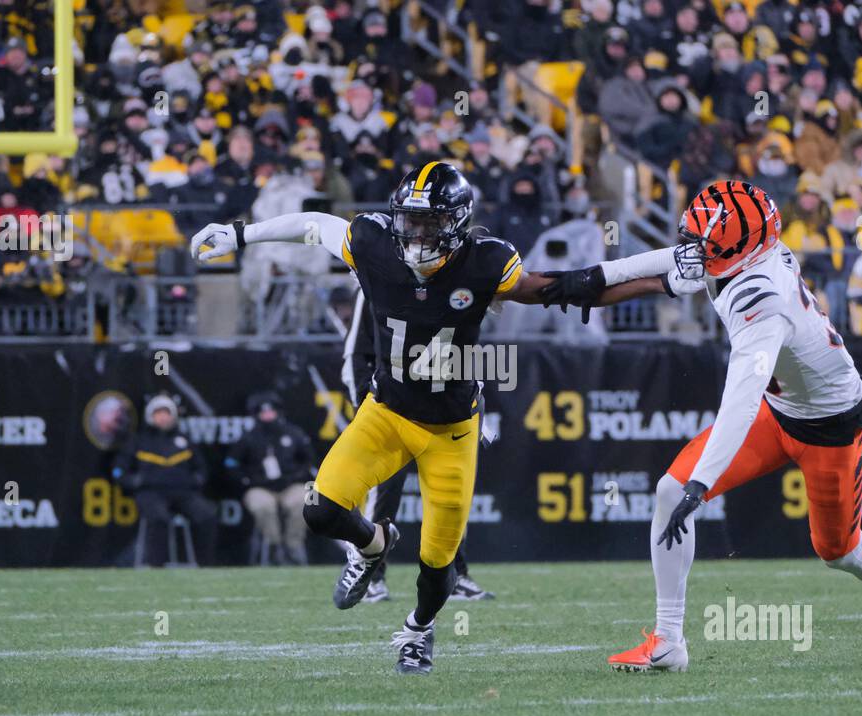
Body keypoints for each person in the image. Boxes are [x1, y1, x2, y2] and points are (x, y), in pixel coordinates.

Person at [540, 180, 862, 672]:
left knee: (838, 549)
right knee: (669, 491)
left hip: (829, 425)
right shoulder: (745, 255)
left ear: (738, 248)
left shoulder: (760, 297)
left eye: (704, 244)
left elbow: (739, 400)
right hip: (780, 409)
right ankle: (668, 641)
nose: (692, 252)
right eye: (693, 237)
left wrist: (703, 483)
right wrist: (581, 278)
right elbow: (663, 262)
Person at [190, 162, 553, 673]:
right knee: (321, 510)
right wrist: (241, 232)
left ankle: (417, 631)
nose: (417, 235)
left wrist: (633, 278)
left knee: (438, 563)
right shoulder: (377, 248)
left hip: (451, 427)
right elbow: (315, 226)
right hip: (387, 409)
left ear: (457, 223)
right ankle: (373, 548)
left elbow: (544, 292)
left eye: (430, 224)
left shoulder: (485, 261)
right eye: (410, 222)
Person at [341, 291, 496, 604]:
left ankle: (455, 574)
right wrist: (367, 407)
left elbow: (459, 355)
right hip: (391, 409)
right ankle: (372, 574)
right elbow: (356, 354)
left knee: (451, 494)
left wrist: (473, 407)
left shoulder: (451, 283)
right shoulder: (378, 279)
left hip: (442, 409)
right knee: (385, 492)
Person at [113, 395, 218, 566]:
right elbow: (120, 471)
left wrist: (196, 480)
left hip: (184, 493)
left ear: (173, 416)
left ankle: (206, 566)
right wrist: (136, 481)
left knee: (207, 515)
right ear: (150, 416)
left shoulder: (184, 440)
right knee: (159, 518)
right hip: (150, 493)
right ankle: (157, 567)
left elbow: (201, 468)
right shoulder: (138, 440)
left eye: (166, 413)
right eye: (158, 413)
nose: (163, 417)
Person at [225, 390, 315, 566]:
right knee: (263, 505)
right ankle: (274, 547)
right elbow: (231, 465)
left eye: (271, 411)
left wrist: (297, 475)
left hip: (290, 485)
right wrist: (248, 480)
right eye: (263, 412)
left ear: (278, 412)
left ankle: (293, 547)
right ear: (256, 414)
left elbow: (309, 460)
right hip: (260, 487)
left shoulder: (293, 433)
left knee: (303, 501)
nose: (267, 415)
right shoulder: (247, 438)